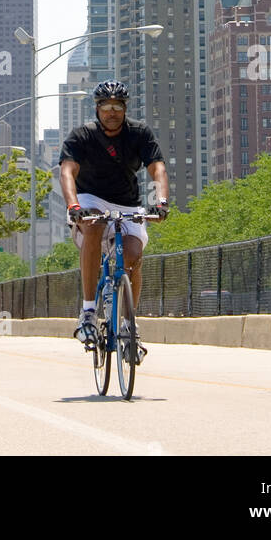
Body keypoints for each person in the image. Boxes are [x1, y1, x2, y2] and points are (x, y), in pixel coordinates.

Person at [59, 79, 169, 366]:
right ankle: (87, 313)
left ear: (125, 108)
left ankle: (129, 325)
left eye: (117, 106)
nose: (112, 112)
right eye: (106, 106)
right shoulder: (81, 136)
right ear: (97, 109)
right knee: (94, 228)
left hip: (127, 203)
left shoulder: (140, 134)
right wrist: (73, 206)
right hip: (89, 199)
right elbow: (67, 172)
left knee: (132, 256)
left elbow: (157, 168)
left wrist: (161, 201)